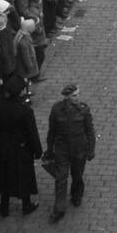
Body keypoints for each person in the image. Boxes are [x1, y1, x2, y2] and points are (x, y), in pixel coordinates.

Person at [0, 73, 42, 218]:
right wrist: (37, 150)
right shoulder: (25, 110)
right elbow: (32, 132)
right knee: (24, 177)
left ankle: (4, 206)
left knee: (4, 177)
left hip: (4, 149)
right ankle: (26, 205)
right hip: (21, 149)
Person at [45, 81, 96, 222]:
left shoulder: (84, 110)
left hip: (80, 149)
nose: (77, 98)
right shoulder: (56, 110)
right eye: (74, 96)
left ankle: (76, 194)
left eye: (78, 95)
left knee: (77, 175)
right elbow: (52, 131)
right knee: (61, 178)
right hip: (62, 150)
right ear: (67, 96)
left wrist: (91, 149)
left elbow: (90, 131)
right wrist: (50, 149)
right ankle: (59, 208)